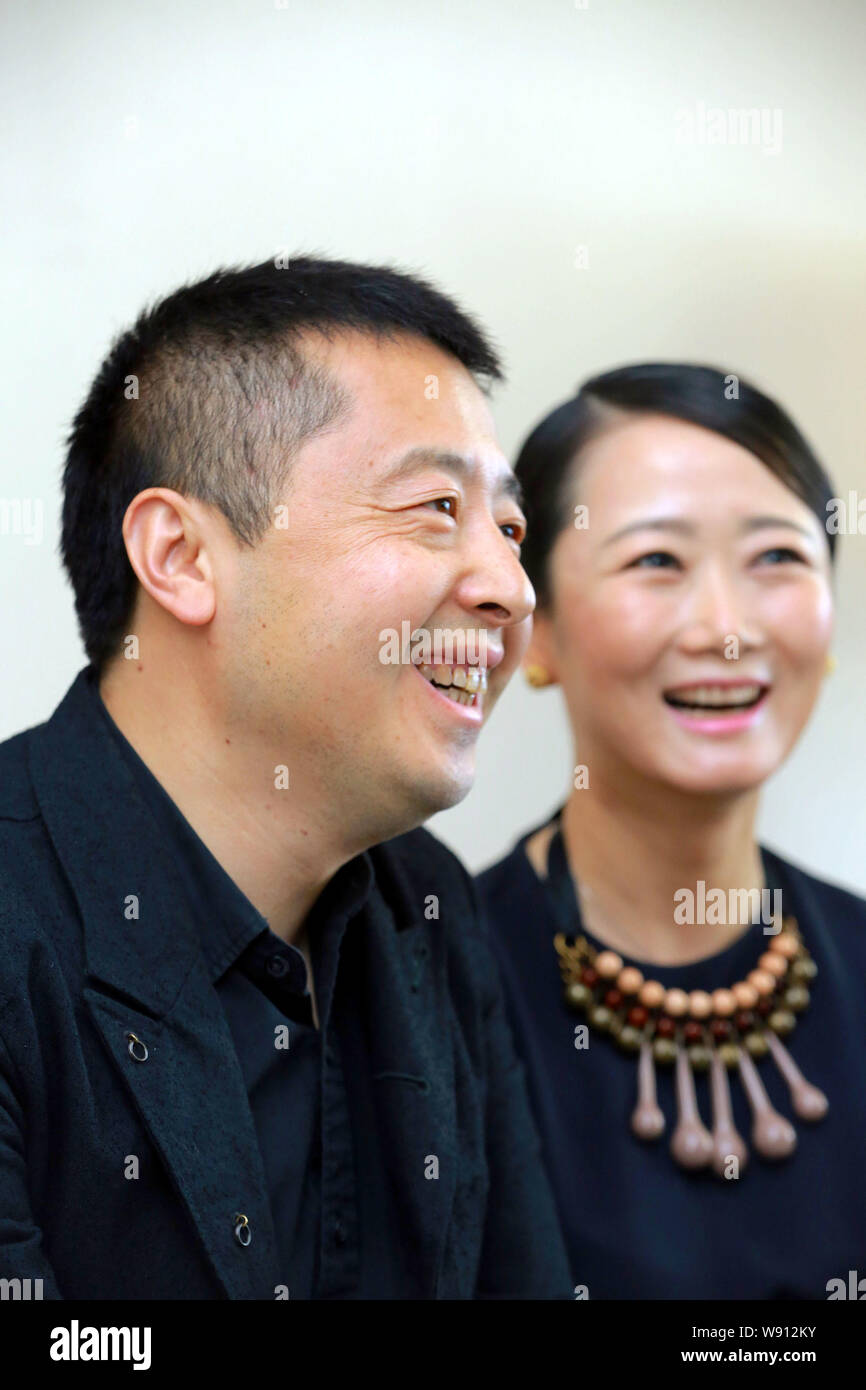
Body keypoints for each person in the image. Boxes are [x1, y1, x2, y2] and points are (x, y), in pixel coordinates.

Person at [0, 255, 571, 1300]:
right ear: (179, 555)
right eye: (435, 506)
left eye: (508, 528)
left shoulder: (427, 906)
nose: (507, 587)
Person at [477, 362, 866, 1300]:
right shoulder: (439, 981)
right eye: (656, 561)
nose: (727, 629)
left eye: (777, 557)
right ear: (540, 633)